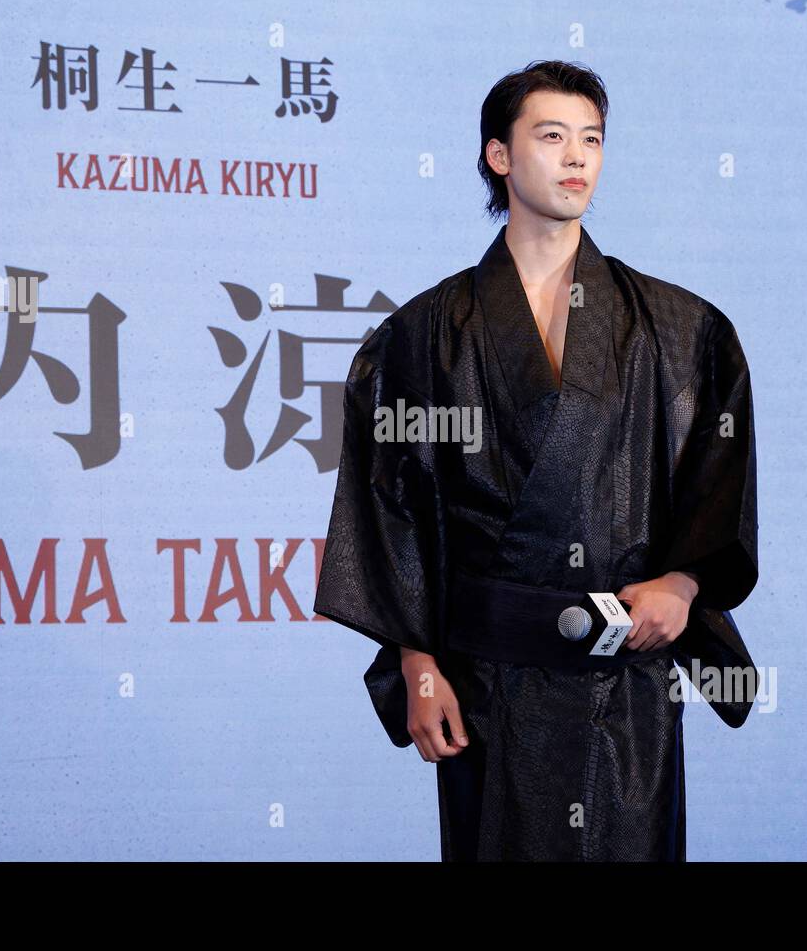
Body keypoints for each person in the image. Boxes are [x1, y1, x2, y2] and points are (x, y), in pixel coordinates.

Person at [313, 59, 759, 861]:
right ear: (499, 156)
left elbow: (715, 479)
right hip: (489, 685)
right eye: (551, 137)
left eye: (591, 139)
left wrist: (683, 583)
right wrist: (418, 662)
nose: (576, 157)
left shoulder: (680, 327)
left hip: (624, 686)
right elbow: (392, 509)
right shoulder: (423, 334)